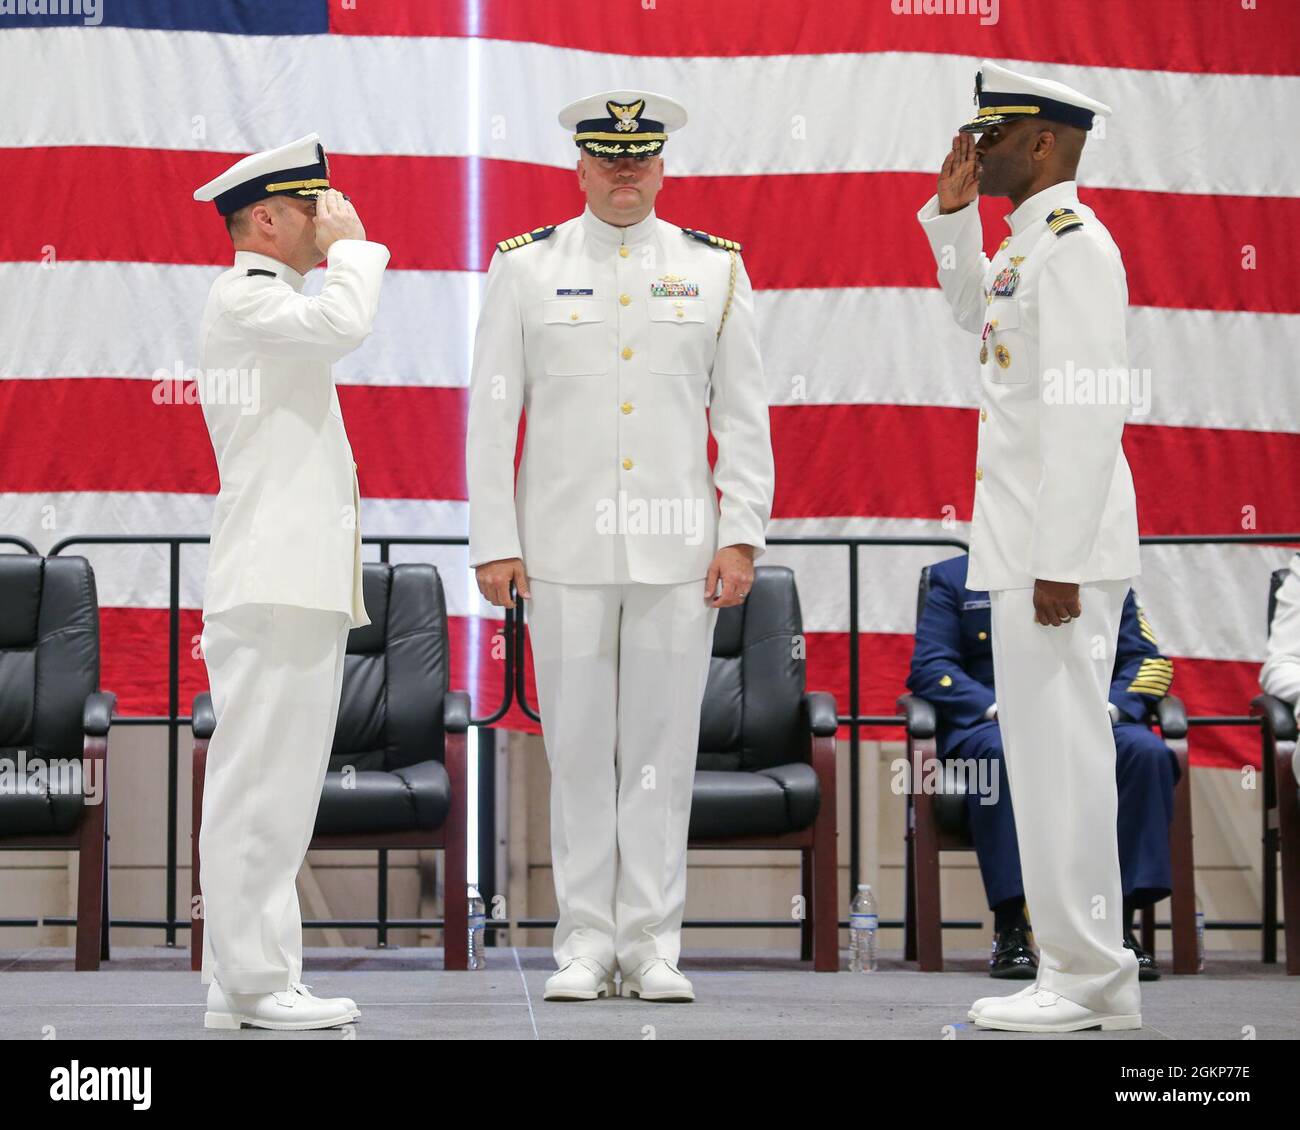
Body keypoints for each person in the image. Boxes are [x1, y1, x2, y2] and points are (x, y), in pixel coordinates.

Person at [466, 90, 775, 1003]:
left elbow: (746, 416)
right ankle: (584, 943)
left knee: (661, 752)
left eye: (640, 156)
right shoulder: (525, 266)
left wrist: (742, 535)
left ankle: (651, 943)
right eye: (609, 156)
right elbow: (493, 417)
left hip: (679, 553)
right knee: (576, 751)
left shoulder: (714, 269)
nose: (626, 171)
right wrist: (496, 537)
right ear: (581, 164)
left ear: (662, 163)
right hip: (561, 550)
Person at [917, 62, 1144, 1032]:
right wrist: (953, 214)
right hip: (1019, 549)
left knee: (1070, 767)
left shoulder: (1078, 247)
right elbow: (977, 315)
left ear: (1044, 142)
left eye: (995, 138)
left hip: (1061, 557)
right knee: (1040, 766)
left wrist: (1058, 557)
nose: (982, 149)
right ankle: (1069, 969)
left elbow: (1091, 415)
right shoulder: (1027, 247)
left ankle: (1091, 979)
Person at [192, 134, 389, 1030]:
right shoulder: (245, 297)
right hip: (273, 580)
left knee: (272, 787)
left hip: (288, 579)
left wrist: (339, 248)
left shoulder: (262, 303)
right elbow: (344, 324)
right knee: (261, 788)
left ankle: (242, 983)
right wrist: (354, 249)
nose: (328, 217)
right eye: (314, 207)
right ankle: (255, 982)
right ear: (265, 218)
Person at [908, 554, 1178, 980]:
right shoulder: (956, 577)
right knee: (1001, 756)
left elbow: (1147, 662)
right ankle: (1012, 927)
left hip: (1088, 714)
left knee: (1145, 753)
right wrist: (999, 710)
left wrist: (1108, 711)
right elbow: (931, 667)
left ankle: (1116, 928)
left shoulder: (1104, 575)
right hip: (998, 722)